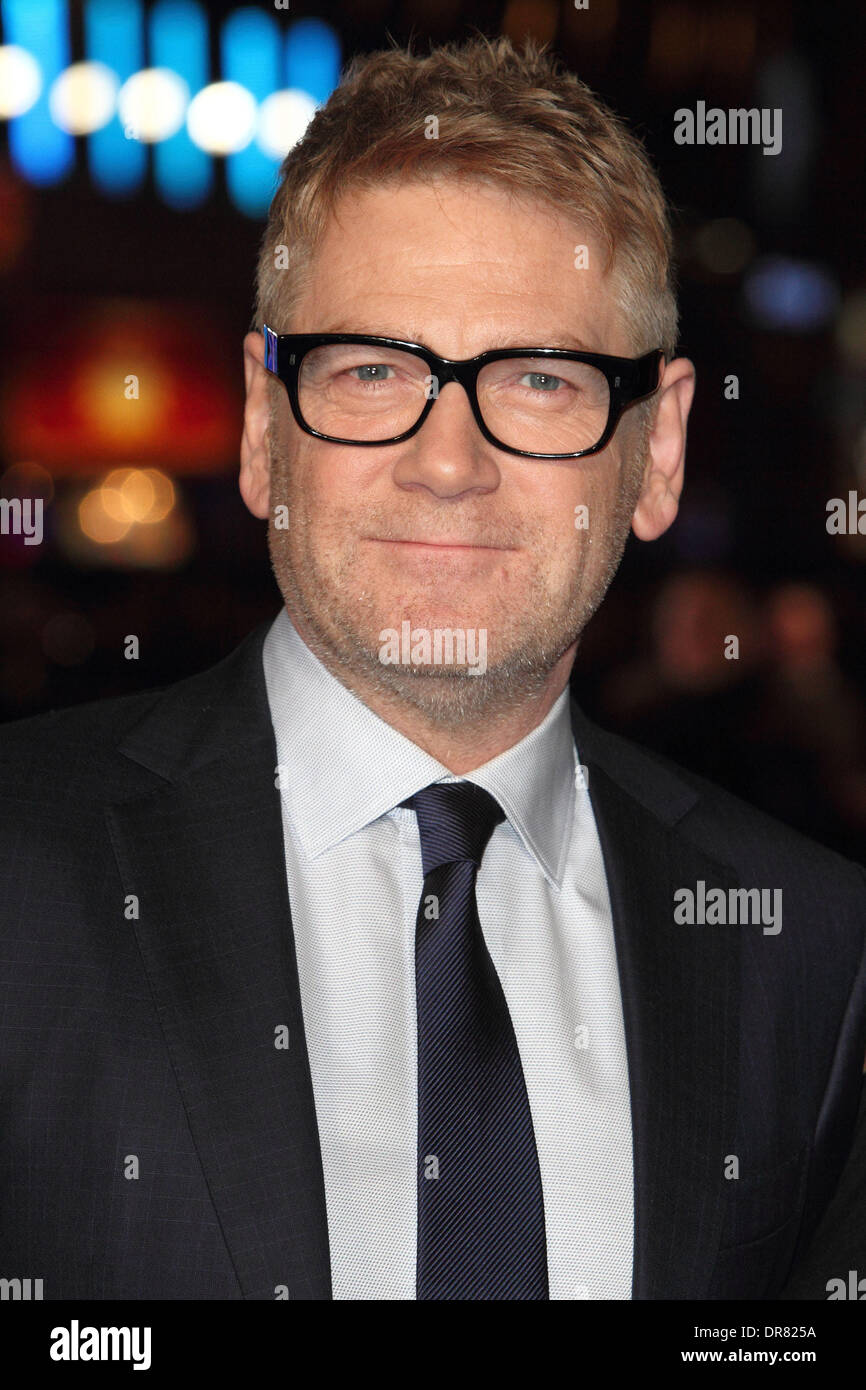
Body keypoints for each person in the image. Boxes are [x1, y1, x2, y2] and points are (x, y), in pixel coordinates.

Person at [1, 33, 864, 1303]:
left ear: (658, 447)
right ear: (259, 425)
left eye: (537, 378)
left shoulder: (811, 949)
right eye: (370, 370)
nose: (446, 462)